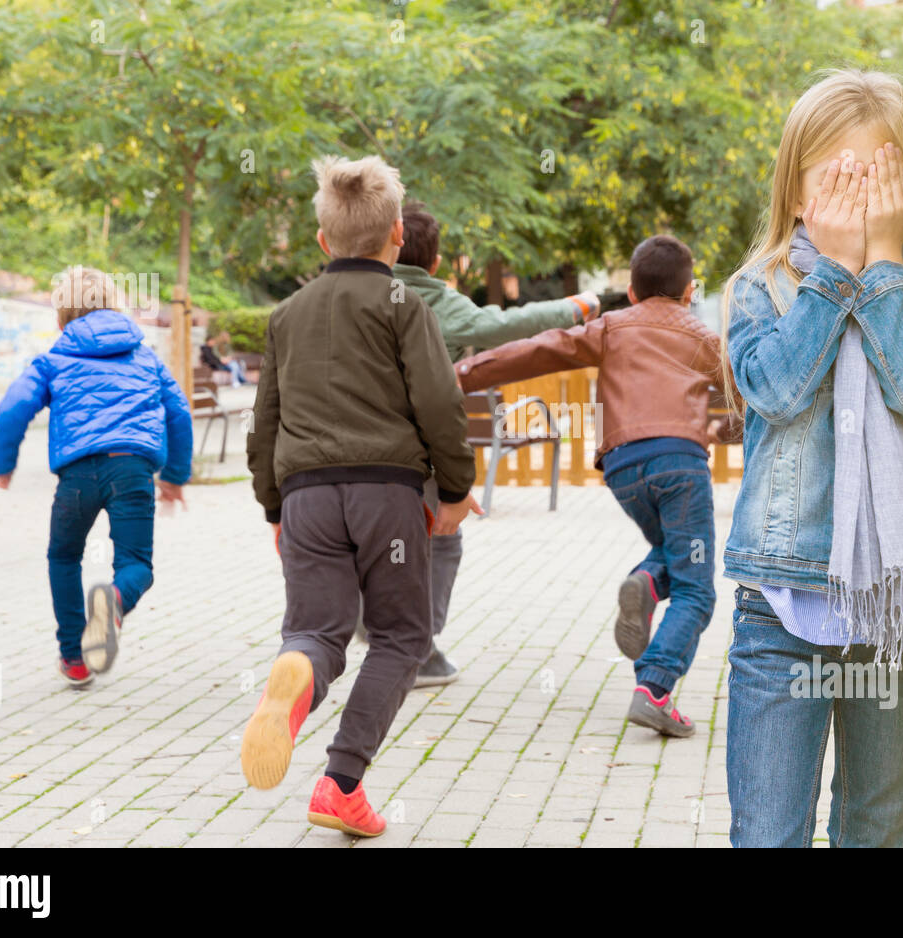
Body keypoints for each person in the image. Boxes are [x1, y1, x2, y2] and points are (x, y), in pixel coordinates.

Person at [719, 69, 903, 847]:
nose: (855, 194)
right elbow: (777, 390)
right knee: (770, 832)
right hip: (782, 609)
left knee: (877, 826)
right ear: (794, 191)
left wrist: (879, 265)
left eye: (874, 176)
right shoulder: (762, 288)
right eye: (835, 179)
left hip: (895, 613)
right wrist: (836, 276)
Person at [242, 155, 480, 837]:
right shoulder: (406, 305)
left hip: (307, 496)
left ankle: (294, 676)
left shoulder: (287, 314)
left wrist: (273, 505)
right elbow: (439, 402)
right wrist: (456, 487)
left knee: (317, 632)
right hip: (388, 495)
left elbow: (265, 420)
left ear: (322, 240)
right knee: (403, 636)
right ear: (397, 235)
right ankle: (341, 782)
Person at [455, 235, 725, 738]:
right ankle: (655, 688)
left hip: (624, 468)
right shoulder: (703, 338)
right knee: (696, 587)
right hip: (680, 465)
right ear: (690, 292)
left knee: (671, 552)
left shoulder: (612, 326)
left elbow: (539, 350)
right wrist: (720, 430)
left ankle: (646, 581)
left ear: (630, 288)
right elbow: (748, 398)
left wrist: (460, 374)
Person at [384, 204, 600, 687]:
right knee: (443, 538)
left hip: (349, 448)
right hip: (418, 453)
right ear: (435, 263)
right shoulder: (433, 301)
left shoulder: (356, 290)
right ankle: (416, 645)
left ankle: (381, 625)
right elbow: (500, 325)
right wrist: (574, 308)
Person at [0, 266, 192, 688]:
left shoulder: (54, 358)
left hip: (77, 475)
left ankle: (74, 658)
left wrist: (2, 464)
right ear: (115, 306)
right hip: (133, 468)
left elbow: (14, 405)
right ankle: (114, 601)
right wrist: (174, 475)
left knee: (64, 557)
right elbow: (179, 413)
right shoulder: (145, 356)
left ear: (62, 317)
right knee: (136, 564)